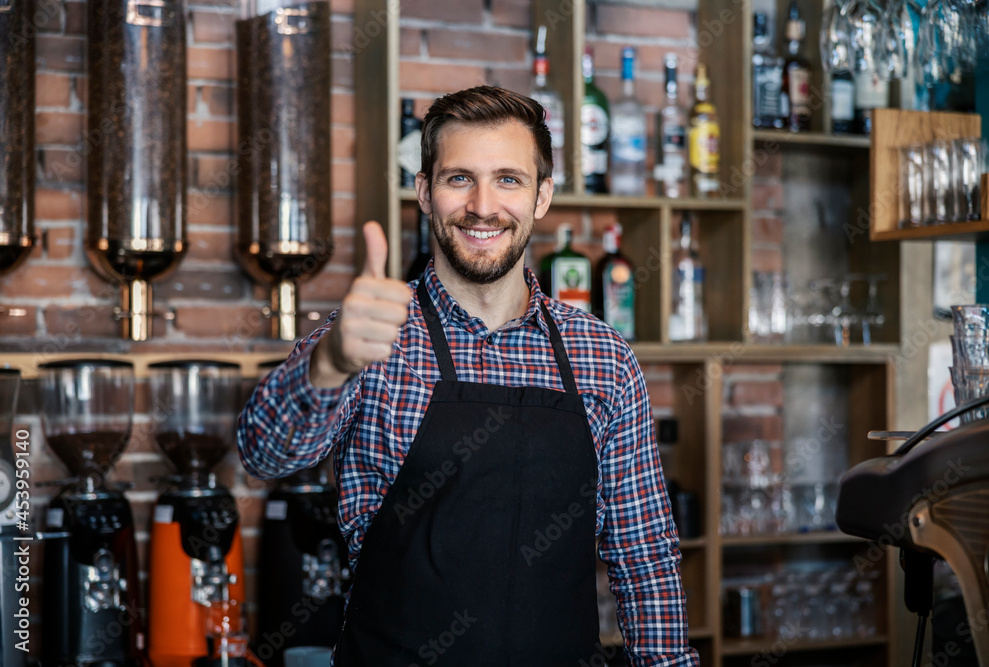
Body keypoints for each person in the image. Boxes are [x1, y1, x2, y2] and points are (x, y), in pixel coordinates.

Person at [237, 85, 699, 667]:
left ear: (542, 197)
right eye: (459, 179)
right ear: (425, 193)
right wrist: (330, 364)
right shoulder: (369, 334)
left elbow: (644, 556)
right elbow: (263, 455)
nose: (483, 205)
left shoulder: (602, 356)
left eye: (509, 179)